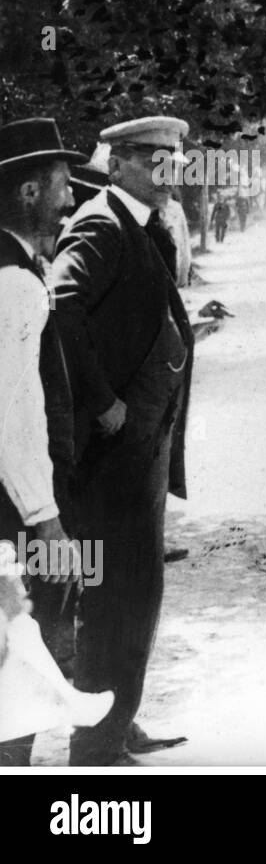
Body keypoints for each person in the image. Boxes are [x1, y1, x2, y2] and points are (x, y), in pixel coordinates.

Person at [49, 115, 196, 765]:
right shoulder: (101, 223)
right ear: (120, 163)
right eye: (156, 159)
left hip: (142, 447)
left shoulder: (139, 223)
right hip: (112, 455)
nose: (172, 171)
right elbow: (61, 306)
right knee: (116, 597)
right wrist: (102, 400)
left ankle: (119, 719)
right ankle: (96, 745)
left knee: (137, 592)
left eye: (176, 159)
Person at [0, 118, 86, 766]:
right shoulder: (15, 285)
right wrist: (45, 520)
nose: (72, 200)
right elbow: (13, 417)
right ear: (29, 191)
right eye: (62, 186)